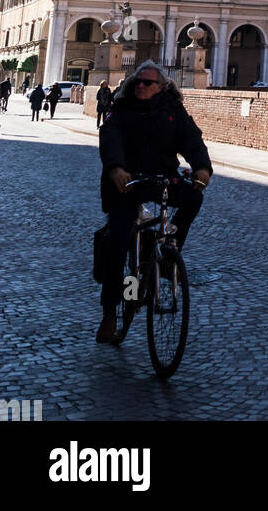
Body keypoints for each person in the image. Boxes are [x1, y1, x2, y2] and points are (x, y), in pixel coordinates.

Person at [95, 60, 212, 344]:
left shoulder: (172, 110)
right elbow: (109, 138)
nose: (141, 86)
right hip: (127, 184)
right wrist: (115, 169)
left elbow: (192, 140)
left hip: (161, 178)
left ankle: (170, 250)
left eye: (147, 82)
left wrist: (202, 167)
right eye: (138, 82)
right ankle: (112, 312)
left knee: (194, 196)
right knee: (120, 244)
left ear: (161, 87)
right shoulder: (121, 110)